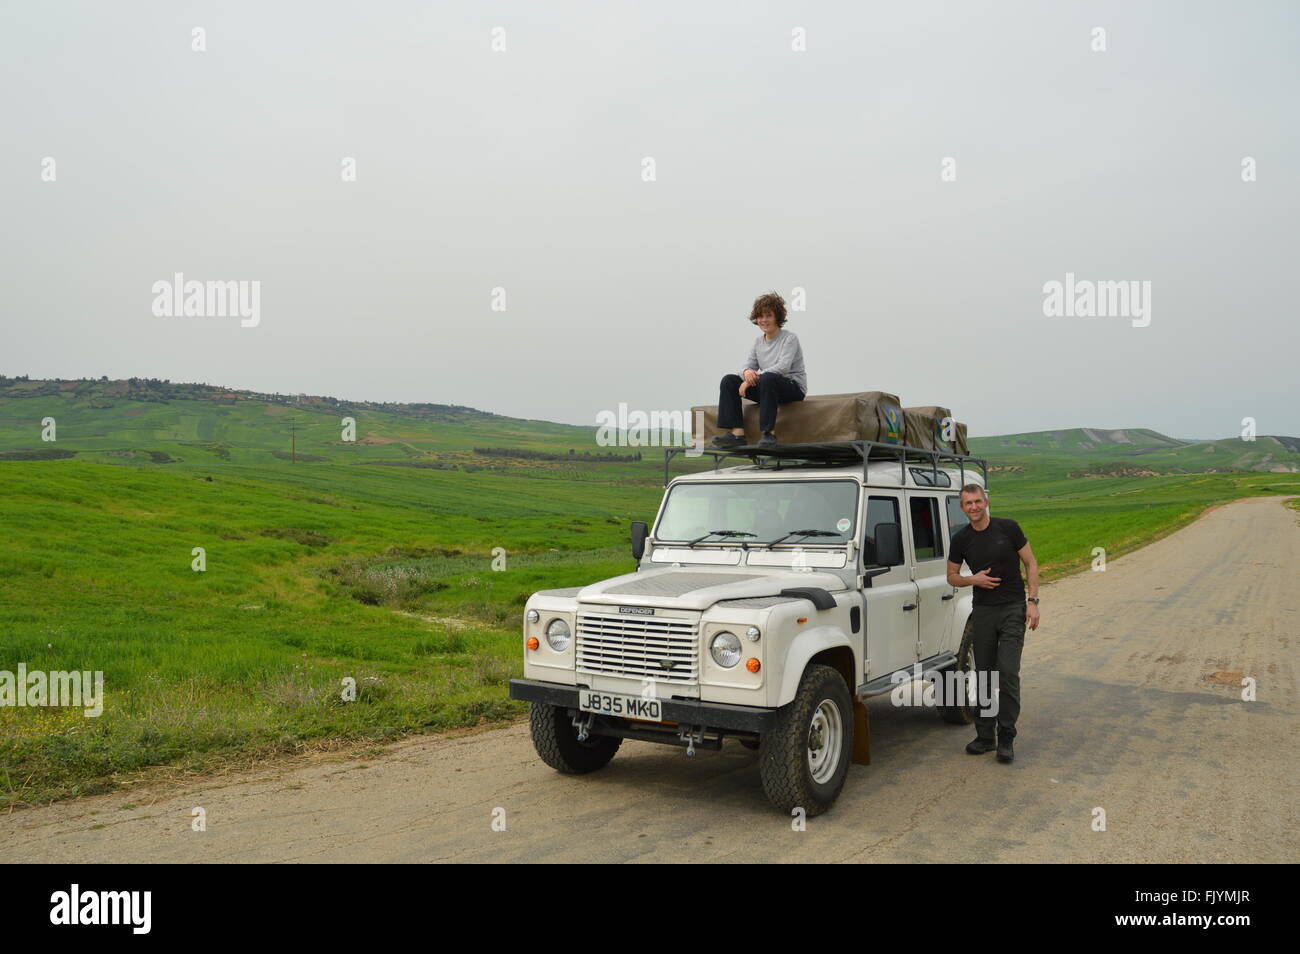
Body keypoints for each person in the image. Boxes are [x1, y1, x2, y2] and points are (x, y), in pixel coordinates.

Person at [945, 483, 1040, 763]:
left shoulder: (1008, 528)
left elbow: (1031, 563)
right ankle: (986, 736)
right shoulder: (960, 539)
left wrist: (1033, 603)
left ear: (985, 502)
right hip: (983, 612)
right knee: (984, 674)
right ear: (962, 508)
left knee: (1007, 673)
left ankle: (1006, 736)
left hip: (1012, 609)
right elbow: (951, 575)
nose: (973, 507)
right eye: (967, 503)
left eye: (977, 501)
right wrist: (972, 579)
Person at [712, 292, 807, 448]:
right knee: (729, 380)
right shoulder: (758, 342)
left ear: (777, 317)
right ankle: (737, 434)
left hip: (792, 387)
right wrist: (747, 373)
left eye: (768, 315)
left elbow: (782, 368)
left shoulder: (789, 338)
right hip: (767, 387)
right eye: (760, 316)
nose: (764, 320)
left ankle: (768, 434)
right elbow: (746, 366)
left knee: (768, 378)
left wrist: (751, 379)